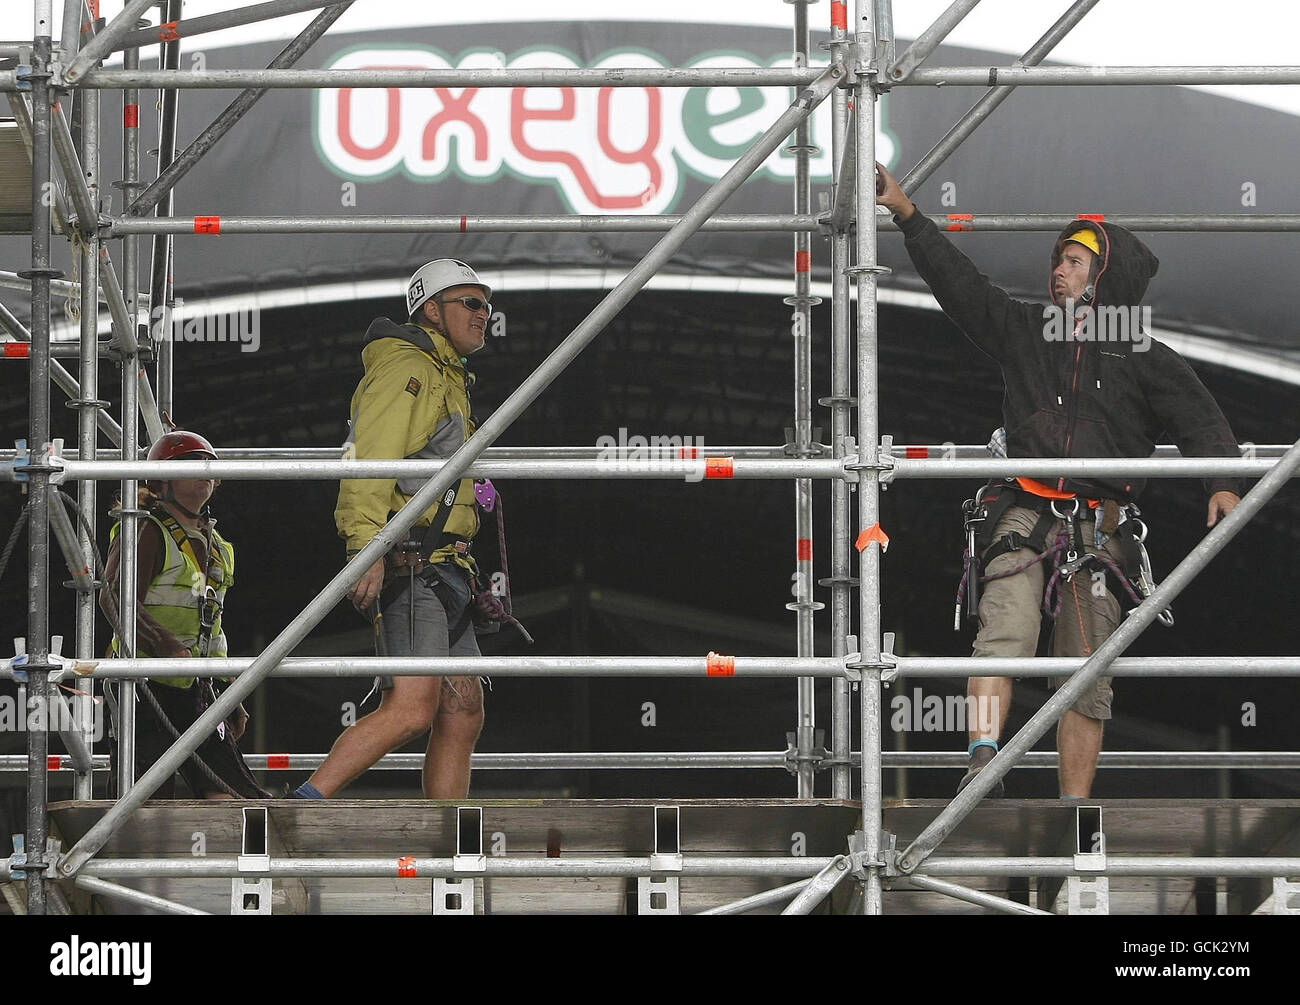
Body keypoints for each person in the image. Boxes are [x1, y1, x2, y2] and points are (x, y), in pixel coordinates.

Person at [874, 163, 1243, 799]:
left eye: (1075, 261)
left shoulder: (1144, 355)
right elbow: (963, 288)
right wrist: (909, 216)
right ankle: (982, 768)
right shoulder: (1025, 332)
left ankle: (1074, 809)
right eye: (1060, 259)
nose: (1059, 270)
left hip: (1099, 530)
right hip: (1023, 512)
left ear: (1105, 277)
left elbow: (1200, 418)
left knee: (1086, 671)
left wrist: (1222, 480)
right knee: (1004, 634)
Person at [293, 259, 492, 800]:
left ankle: (447, 841)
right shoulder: (407, 370)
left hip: (447, 568)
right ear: (432, 309)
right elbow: (369, 461)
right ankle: (301, 807)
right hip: (413, 564)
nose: (485, 315)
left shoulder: (444, 373)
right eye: (471, 303)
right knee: (411, 709)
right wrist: (367, 549)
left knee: (462, 710)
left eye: (487, 305)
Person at [100, 429, 268, 799]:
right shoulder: (146, 528)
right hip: (144, 685)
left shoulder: (218, 545)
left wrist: (228, 692)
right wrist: (165, 645)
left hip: (198, 687)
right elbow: (114, 596)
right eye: (192, 464)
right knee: (142, 799)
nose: (205, 471)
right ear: (163, 478)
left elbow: (214, 627)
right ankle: (130, 857)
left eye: (209, 464)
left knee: (237, 795)